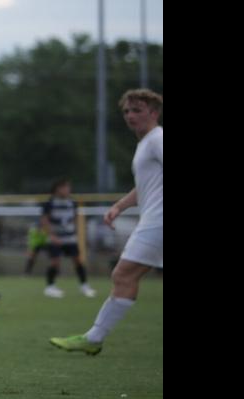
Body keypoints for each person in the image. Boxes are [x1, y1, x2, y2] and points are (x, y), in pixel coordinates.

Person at [51, 89, 162, 356]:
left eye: (137, 110)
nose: (130, 115)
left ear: (154, 112)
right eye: (126, 111)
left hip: (158, 222)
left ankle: (93, 338)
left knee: (123, 275)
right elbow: (146, 187)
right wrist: (119, 206)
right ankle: (93, 338)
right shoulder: (146, 143)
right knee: (125, 276)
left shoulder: (157, 139)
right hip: (154, 220)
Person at [39, 179, 94, 299]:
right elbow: (44, 220)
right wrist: (52, 236)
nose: (68, 190)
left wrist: (78, 233)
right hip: (55, 238)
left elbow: (75, 219)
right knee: (55, 262)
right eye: (65, 187)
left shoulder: (72, 203)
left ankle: (84, 286)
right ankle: (50, 287)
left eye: (68, 187)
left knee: (78, 260)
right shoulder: (50, 203)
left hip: (70, 237)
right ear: (57, 189)